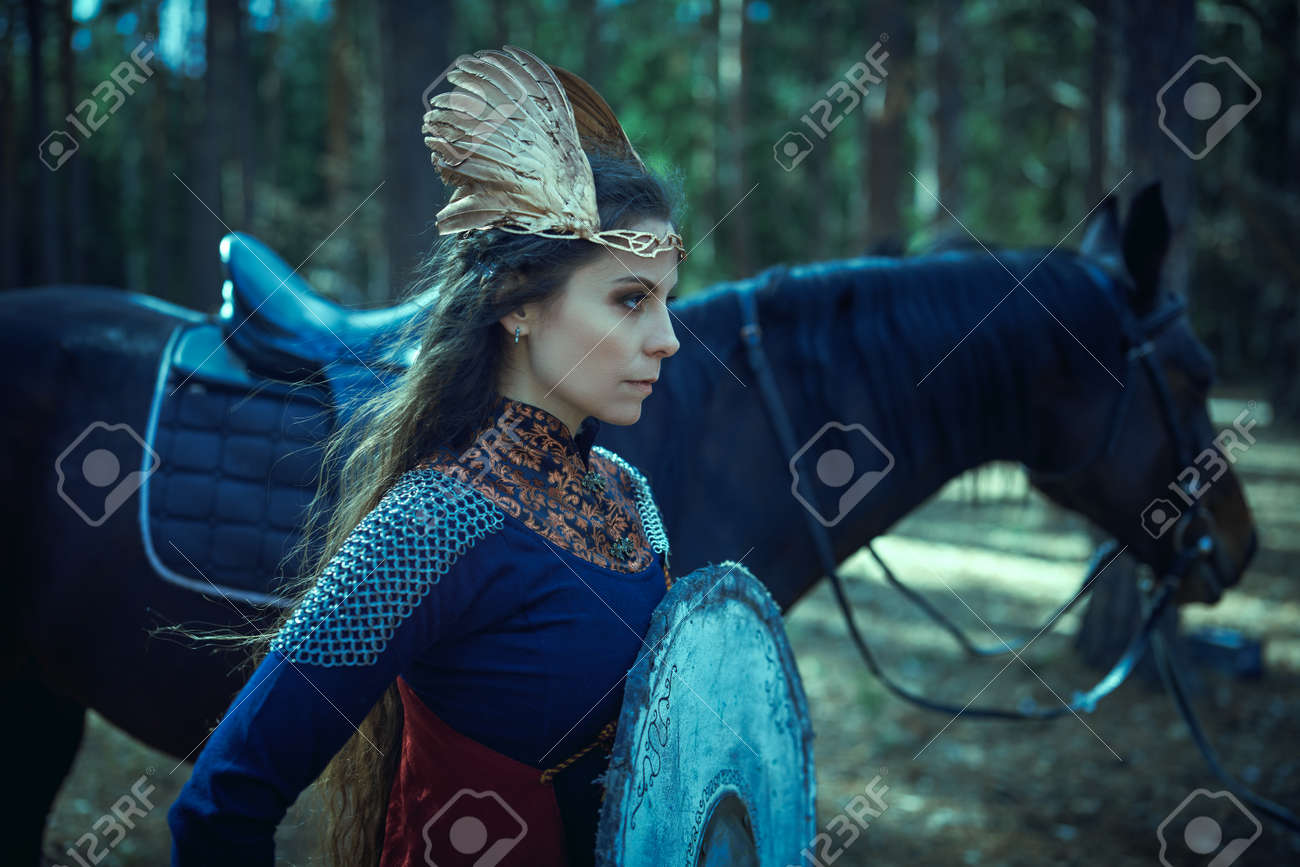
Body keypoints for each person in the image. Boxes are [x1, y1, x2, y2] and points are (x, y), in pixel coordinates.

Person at [166, 45, 685, 867]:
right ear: (516, 303)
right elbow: (219, 805)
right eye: (630, 300)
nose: (667, 339)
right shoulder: (433, 523)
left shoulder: (631, 498)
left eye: (666, 302)